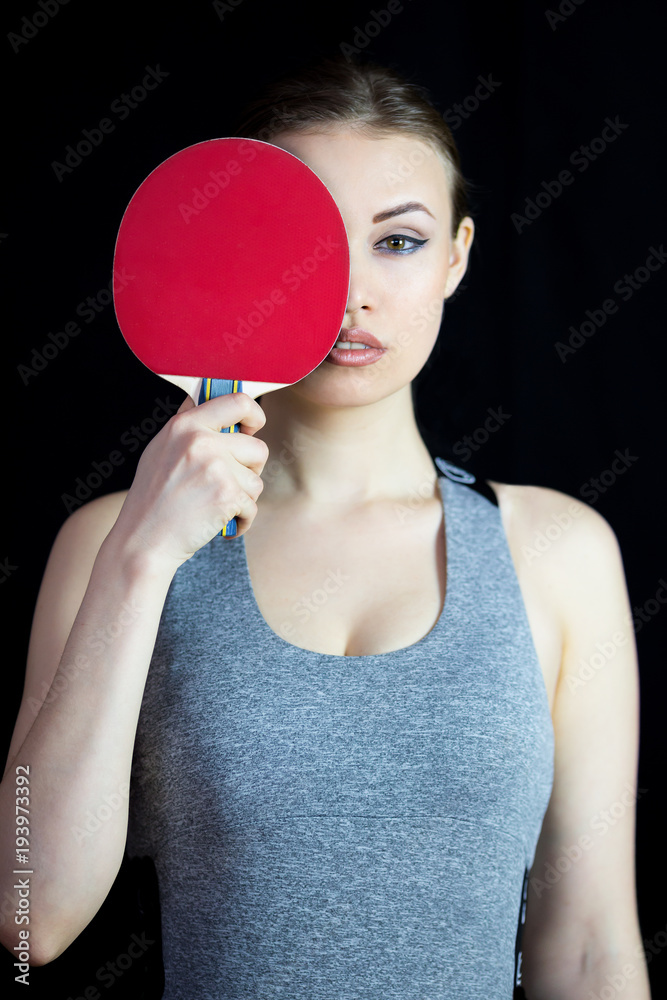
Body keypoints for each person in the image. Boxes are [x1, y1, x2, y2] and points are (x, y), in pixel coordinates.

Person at [0, 55, 650, 999]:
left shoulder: (559, 555)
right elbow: (28, 916)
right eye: (302, 241)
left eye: (398, 242)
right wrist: (140, 556)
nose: (349, 289)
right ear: (238, 255)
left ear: (457, 257)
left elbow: (589, 946)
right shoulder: (113, 544)